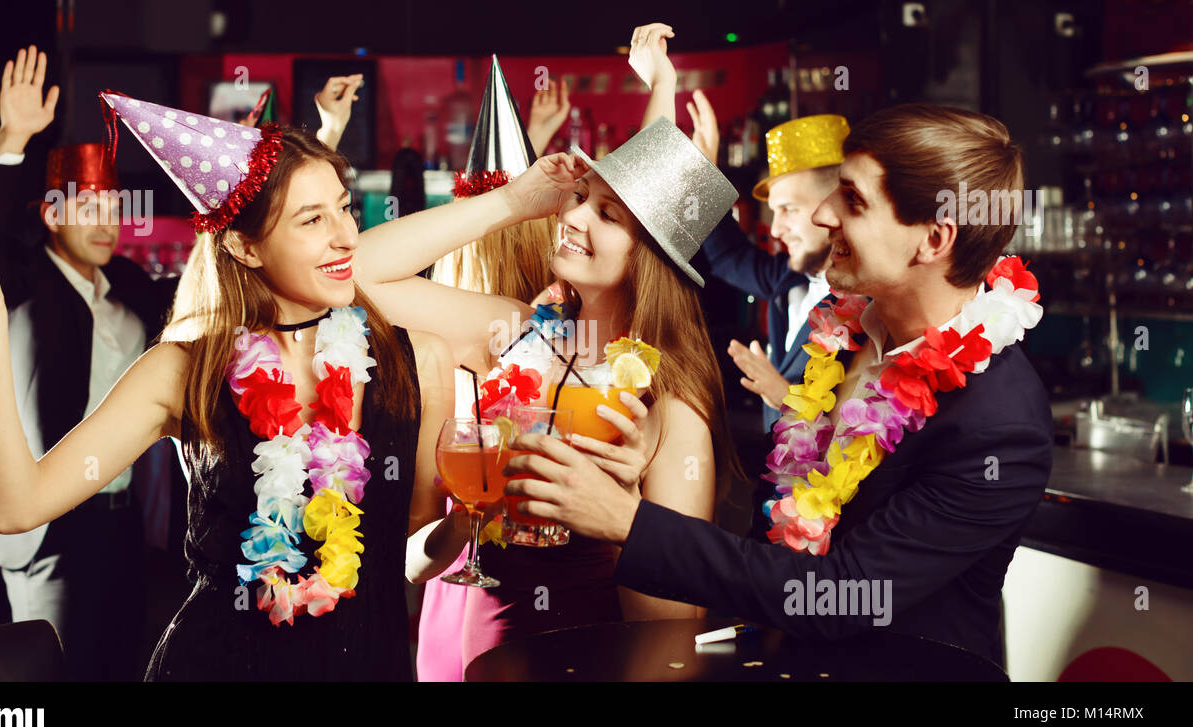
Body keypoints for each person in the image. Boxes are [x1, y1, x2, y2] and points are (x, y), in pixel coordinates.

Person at [0, 94, 453, 681]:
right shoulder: (183, 371)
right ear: (244, 246)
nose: (347, 237)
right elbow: (18, 507)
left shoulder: (415, 360)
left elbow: (413, 551)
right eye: (312, 219)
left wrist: (471, 523)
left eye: (344, 209)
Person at [503, 103, 1052, 667]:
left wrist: (628, 522)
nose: (821, 214)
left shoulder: (999, 426)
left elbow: (840, 595)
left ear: (933, 240)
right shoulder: (844, 332)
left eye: (853, 200)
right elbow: (780, 535)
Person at [356, 113, 746, 672]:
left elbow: (669, 628)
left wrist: (621, 512)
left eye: (607, 214)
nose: (575, 215)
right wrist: (511, 203)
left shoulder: (668, 404)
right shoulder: (514, 333)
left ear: (650, 260)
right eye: (580, 196)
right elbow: (356, 275)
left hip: (568, 659)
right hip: (458, 641)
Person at [0, 46, 181, 681]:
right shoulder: (22, 277)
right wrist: (12, 138)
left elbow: (201, 296)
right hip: (48, 525)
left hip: (123, 524)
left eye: (115, 208)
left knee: (121, 664)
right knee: (49, 674)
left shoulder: (127, 283)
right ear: (50, 213)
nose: (108, 224)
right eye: (88, 208)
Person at [415, 55, 560, 682]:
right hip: (542, 606)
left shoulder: (428, 351)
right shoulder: (581, 344)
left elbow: (413, 554)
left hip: (449, 603)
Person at [629, 23, 847, 433]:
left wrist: (782, 395)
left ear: (834, 209)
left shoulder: (872, 308)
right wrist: (702, 169)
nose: (777, 229)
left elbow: (875, 434)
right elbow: (728, 254)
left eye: (789, 210)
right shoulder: (790, 277)